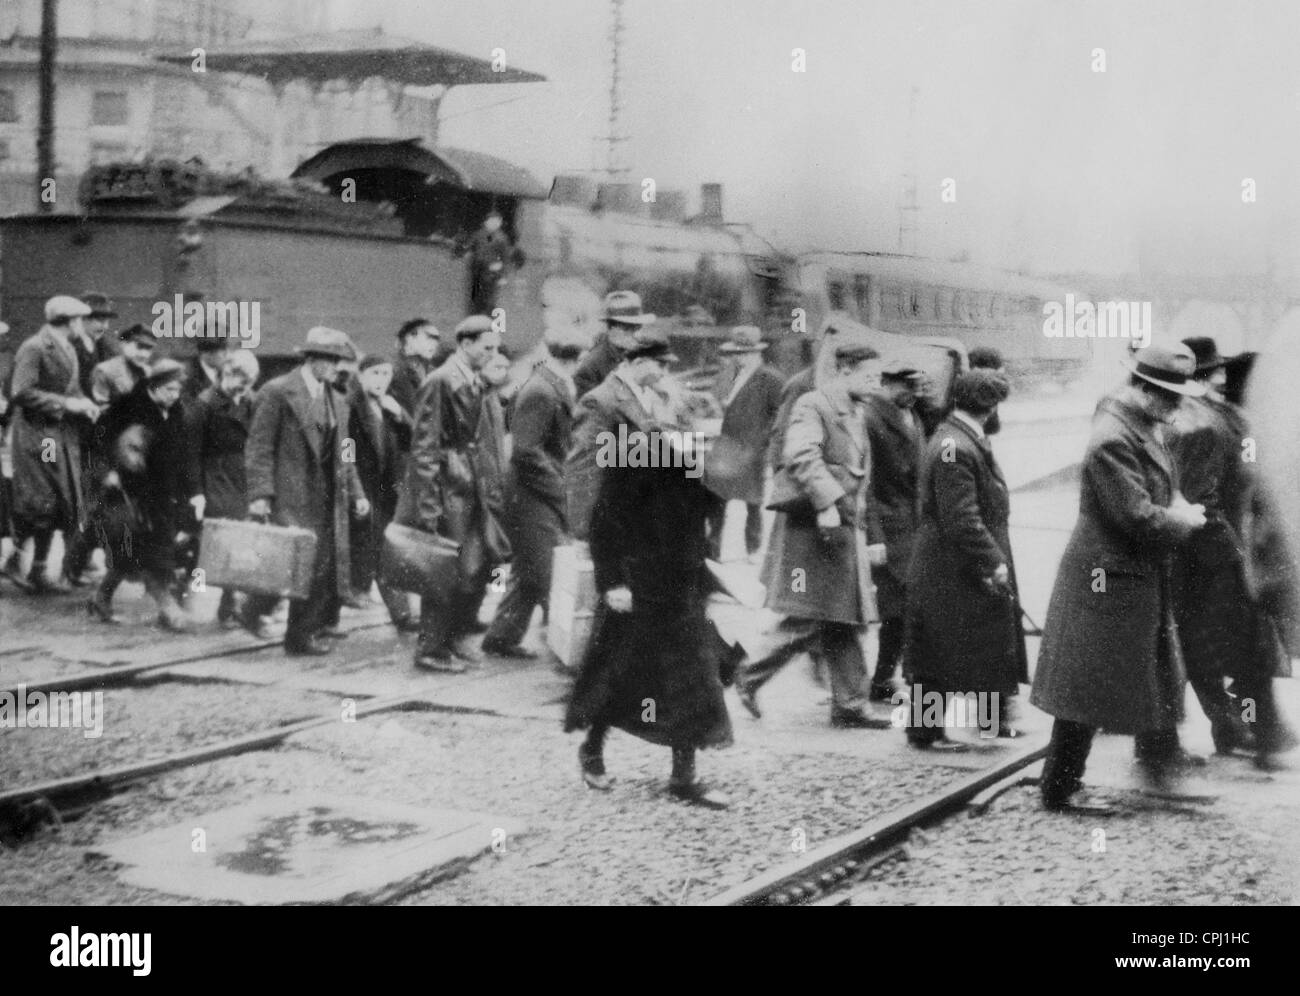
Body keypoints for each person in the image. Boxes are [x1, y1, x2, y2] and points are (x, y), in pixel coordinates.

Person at [1031, 344, 1210, 814]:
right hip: (1107, 578)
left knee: (1149, 667)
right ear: (1144, 390)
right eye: (1170, 397)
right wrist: (1184, 519)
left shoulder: (1137, 424)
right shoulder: (1113, 437)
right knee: (1088, 685)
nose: (1176, 407)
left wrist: (1173, 509)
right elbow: (1136, 517)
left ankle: (1159, 760)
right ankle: (1060, 787)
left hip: (1129, 574)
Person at [563, 329, 737, 809]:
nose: (703, 445)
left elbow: (702, 513)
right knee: (619, 670)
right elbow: (605, 515)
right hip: (636, 580)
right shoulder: (634, 452)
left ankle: (684, 777)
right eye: (698, 437)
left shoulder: (691, 464)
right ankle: (592, 749)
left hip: (678, 582)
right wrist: (611, 581)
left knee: (693, 674)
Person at [738, 333, 890, 728]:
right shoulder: (814, 404)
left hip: (841, 531)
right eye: (870, 376)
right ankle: (748, 675)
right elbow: (800, 454)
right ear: (844, 370)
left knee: (843, 617)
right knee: (813, 617)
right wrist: (825, 504)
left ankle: (850, 704)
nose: (877, 384)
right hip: (815, 533)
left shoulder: (855, 411)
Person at [1167, 337, 1296, 768]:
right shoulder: (1202, 425)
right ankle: (1249, 731)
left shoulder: (1223, 417)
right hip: (1213, 562)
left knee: (1232, 650)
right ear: (1213, 373)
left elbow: (1246, 477)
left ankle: (1249, 729)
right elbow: (1203, 499)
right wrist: (1233, 555)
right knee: (1230, 651)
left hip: (1227, 556)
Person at [903, 369, 1027, 750]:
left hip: (955, 564)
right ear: (990, 408)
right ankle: (924, 733)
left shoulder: (960, 437)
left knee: (980, 643)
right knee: (937, 652)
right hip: (950, 566)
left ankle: (987, 723)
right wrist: (993, 560)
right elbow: (962, 518)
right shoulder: (955, 446)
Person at [243, 327, 370, 656]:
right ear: (311, 359)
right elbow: (259, 447)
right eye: (329, 360)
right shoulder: (277, 392)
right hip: (291, 491)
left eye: (338, 361)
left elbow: (346, 454)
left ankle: (299, 635)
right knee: (292, 562)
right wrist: (260, 494)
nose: (335, 367)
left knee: (320, 566)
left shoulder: (338, 401)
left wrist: (357, 493)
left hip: (329, 497)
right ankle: (257, 611)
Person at [397, 315, 509, 671]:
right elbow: (424, 449)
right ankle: (430, 649)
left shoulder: (468, 380)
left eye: (495, 348)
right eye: (486, 348)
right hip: (449, 491)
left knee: (467, 570)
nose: (492, 355)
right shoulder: (442, 380)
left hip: (466, 489)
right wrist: (428, 508)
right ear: (466, 344)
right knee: (442, 571)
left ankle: (446, 641)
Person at [482, 336, 584, 657]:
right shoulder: (542, 390)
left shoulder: (550, 384)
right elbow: (526, 452)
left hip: (535, 492)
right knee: (542, 572)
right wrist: (560, 489)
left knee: (530, 570)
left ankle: (501, 637)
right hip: (531, 495)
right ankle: (571, 647)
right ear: (576, 359)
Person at [85, 359, 198, 629]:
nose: (174, 396)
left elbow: (182, 454)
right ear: (154, 386)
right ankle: (168, 609)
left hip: (162, 492)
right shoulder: (126, 407)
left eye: (177, 390)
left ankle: (101, 597)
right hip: (126, 490)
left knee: (140, 550)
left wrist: (191, 491)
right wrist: (106, 473)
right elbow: (94, 443)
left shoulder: (177, 411)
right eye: (169, 389)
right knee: (146, 549)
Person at [5, 296, 100, 594]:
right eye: (79, 320)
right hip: (39, 437)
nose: (82, 325)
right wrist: (68, 404)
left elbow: (69, 388)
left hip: (56, 435)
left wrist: (83, 402)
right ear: (70, 321)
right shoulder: (35, 347)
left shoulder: (67, 347)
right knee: (41, 499)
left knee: (57, 501)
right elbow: (21, 391)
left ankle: (37, 569)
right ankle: (17, 561)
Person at [565, 321, 673, 543]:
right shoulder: (601, 400)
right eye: (661, 366)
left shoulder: (643, 394)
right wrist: (586, 528)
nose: (665, 374)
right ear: (640, 362)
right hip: (607, 521)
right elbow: (584, 466)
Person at [864, 358, 926, 701]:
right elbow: (868, 485)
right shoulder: (871, 418)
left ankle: (885, 678)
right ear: (888, 383)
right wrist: (874, 536)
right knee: (894, 611)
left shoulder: (912, 413)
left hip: (911, 526)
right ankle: (882, 680)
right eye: (908, 386)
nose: (914, 393)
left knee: (902, 610)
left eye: (918, 386)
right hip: (888, 531)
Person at [187, 349, 260, 628]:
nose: (244, 387)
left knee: (238, 540)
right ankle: (210, 602)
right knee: (222, 542)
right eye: (240, 380)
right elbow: (190, 453)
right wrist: (196, 492)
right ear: (226, 374)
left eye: (249, 382)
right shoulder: (204, 404)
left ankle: (228, 605)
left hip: (243, 477)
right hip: (216, 477)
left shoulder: (252, 400)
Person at [702, 325, 784, 562]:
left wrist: (762, 441)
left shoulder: (770, 378)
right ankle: (713, 550)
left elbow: (779, 415)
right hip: (726, 445)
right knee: (717, 498)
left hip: (751, 449)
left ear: (756, 353)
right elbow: (725, 404)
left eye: (744, 353)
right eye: (736, 353)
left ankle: (753, 548)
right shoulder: (731, 375)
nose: (739, 358)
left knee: (752, 501)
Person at [348, 354, 416, 631]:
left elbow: (412, 440)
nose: (381, 380)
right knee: (377, 554)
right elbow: (346, 452)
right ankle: (401, 614)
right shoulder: (351, 407)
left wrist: (400, 414)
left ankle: (401, 614)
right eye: (375, 374)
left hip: (386, 493)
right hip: (363, 491)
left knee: (380, 553)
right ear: (361, 375)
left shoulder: (387, 407)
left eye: (386, 374)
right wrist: (356, 492)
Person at [572, 290, 655, 400]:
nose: (636, 334)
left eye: (638, 327)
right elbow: (588, 412)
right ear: (611, 328)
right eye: (628, 328)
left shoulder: (639, 353)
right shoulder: (589, 368)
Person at [467, 210, 524, 315]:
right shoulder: (478, 235)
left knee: (489, 300)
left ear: (499, 223)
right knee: (475, 299)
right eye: (491, 221)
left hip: (492, 273)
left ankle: (488, 322)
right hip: (477, 271)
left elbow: (505, 258)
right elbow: (471, 248)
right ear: (486, 222)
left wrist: (503, 276)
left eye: (496, 221)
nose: (493, 224)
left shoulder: (502, 238)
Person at [90, 324, 156, 406]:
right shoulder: (105, 371)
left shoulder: (149, 373)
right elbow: (100, 408)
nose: (144, 354)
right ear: (124, 344)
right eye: (139, 347)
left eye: (148, 349)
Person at [390, 318, 440, 419]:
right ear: (410, 339)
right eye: (429, 338)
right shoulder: (399, 372)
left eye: (436, 339)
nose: (434, 344)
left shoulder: (431, 371)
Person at [182, 338, 231, 404]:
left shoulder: (226, 370)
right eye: (224, 353)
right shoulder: (187, 375)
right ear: (207, 354)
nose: (228, 357)